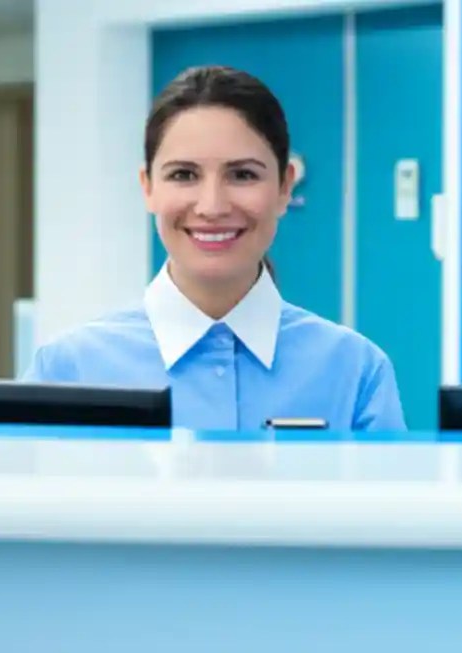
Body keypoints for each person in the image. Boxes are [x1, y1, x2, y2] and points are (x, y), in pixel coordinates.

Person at [22, 65, 406, 431]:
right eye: (183, 175)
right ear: (148, 187)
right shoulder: (69, 369)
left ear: (285, 187)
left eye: (242, 175)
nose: (212, 206)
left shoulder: (355, 373)